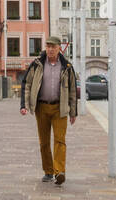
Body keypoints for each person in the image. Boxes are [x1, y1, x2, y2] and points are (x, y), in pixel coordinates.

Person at [19, 36, 78, 185]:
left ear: (59, 48)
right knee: (44, 142)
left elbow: (72, 90)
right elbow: (26, 83)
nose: (50, 49)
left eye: (53, 46)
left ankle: (59, 172)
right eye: (48, 46)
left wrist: (73, 112)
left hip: (60, 107)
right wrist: (24, 105)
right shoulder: (37, 64)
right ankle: (48, 171)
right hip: (42, 107)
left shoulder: (67, 66)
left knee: (60, 140)